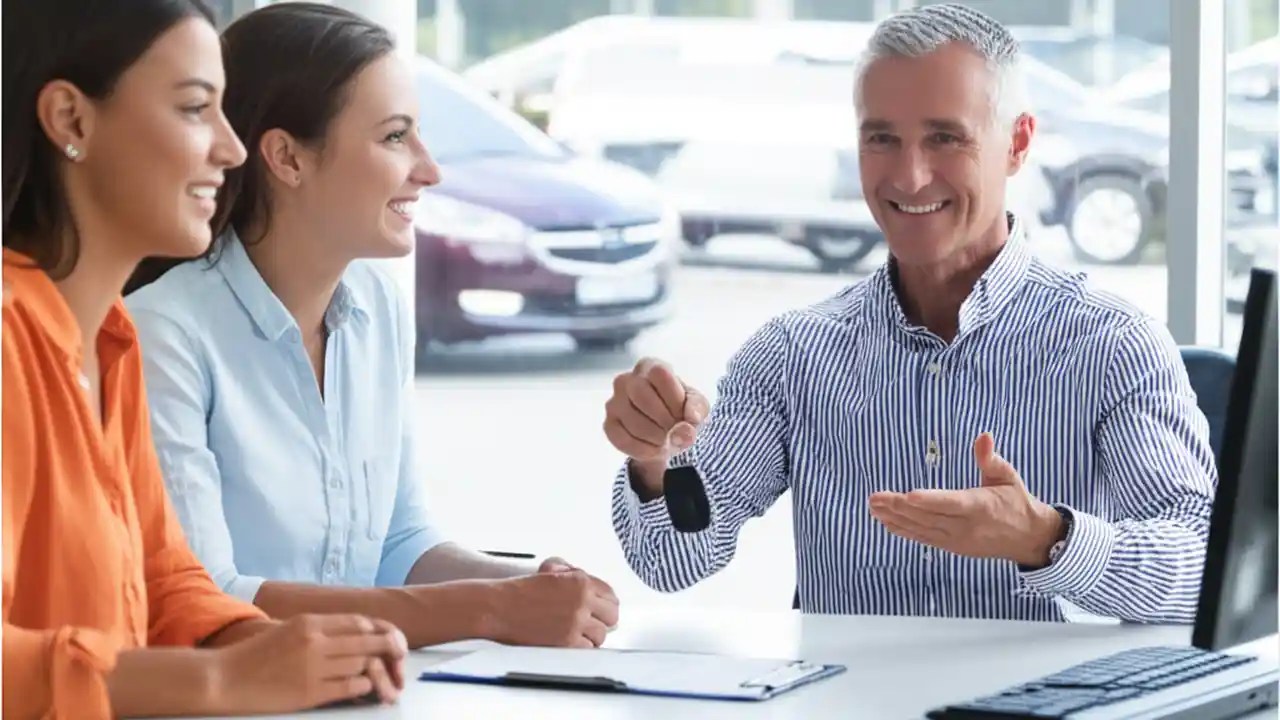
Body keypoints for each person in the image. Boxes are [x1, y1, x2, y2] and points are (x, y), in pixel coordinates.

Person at [603, 3, 1215, 624]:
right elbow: (672, 559)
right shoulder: (795, 352)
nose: (910, 176)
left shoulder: (1113, 343)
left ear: (1018, 142)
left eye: (945, 137)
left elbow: (1204, 570)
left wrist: (1045, 538)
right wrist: (654, 461)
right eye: (882, 139)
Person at [126, 2, 619, 651]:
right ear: (287, 158)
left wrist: (535, 586)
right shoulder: (162, 335)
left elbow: (398, 543)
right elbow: (211, 601)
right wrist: (491, 609)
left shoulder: (377, 308)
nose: (430, 168)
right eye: (394, 137)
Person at [2, 1, 408, 717]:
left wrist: (281, 653)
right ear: (71, 120)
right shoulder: (9, 341)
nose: (232, 148)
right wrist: (223, 681)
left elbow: (165, 579)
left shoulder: (112, 340)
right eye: (195, 109)